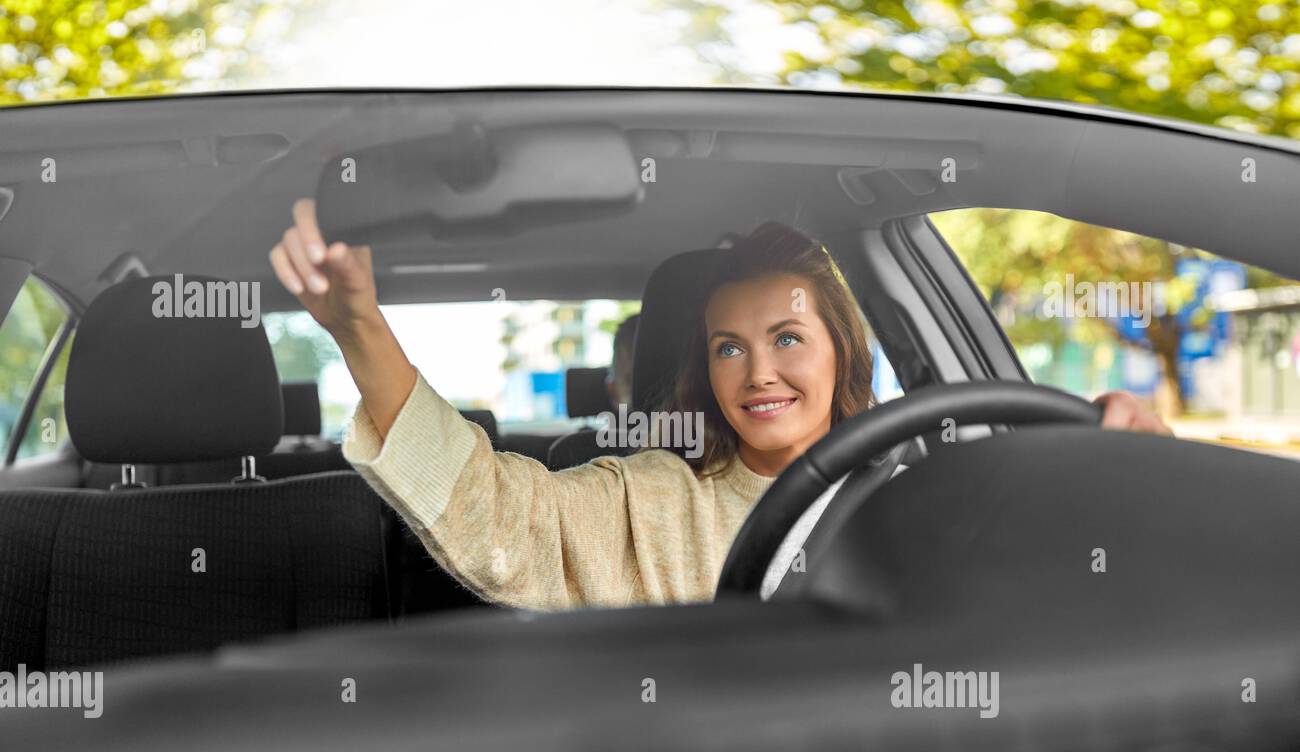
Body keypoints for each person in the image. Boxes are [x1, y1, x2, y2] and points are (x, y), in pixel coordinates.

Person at [269, 199, 1172, 609]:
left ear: (841, 350)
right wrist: (363, 335)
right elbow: (503, 515)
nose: (759, 374)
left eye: (787, 338)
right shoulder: (653, 498)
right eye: (728, 348)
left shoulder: (940, 482)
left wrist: (1118, 469)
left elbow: (1074, 577)